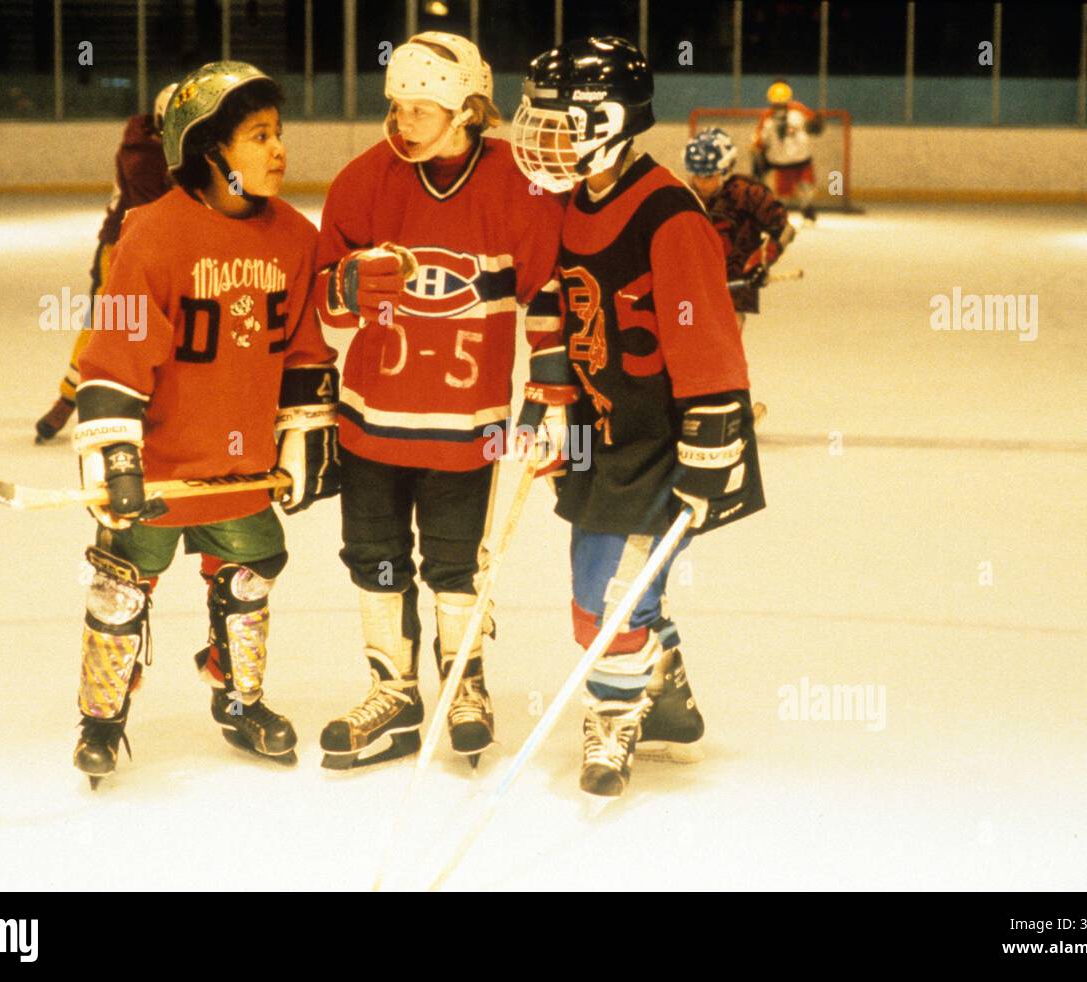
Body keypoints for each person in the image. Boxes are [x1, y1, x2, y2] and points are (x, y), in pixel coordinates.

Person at [70, 61, 340, 785]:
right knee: (120, 589)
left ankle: (239, 698)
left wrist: (307, 438)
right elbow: (114, 360)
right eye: (258, 136)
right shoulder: (152, 236)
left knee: (249, 581)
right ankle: (101, 719)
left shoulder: (295, 236)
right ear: (210, 151)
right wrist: (115, 460)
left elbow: (305, 353)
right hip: (159, 469)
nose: (279, 149)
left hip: (242, 467)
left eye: (278, 133)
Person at [511, 36, 765, 797]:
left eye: (560, 124)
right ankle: (670, 705)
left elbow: (710, 345)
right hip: (597, 432)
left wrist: (708, 453)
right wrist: (547, 400)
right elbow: (556, 303)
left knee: (604, 596)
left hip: (654, 442)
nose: (544, 141)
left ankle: (616, 715)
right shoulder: (570, 202)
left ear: (610, 123)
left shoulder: (667, 216)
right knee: (611, 578)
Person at [314, 32, 563, 771]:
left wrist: (549, 393)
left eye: (422, 108)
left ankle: (464, 681)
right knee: (375, 557)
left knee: (454, 565)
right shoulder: (363, 180)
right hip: (370, 422)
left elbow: (546, 294)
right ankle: (393, 691)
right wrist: (347, 285)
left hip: (466, 429)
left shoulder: (518, 184)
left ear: (469, 110)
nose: (403, 122)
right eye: (397, 105)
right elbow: (324, 303)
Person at [34, 82, 178, 443]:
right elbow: (156, 215)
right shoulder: (144, 155)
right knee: (105, 326)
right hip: (122, 249)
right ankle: (69, 398)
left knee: (151, 327)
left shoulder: (161, 146)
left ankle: (146, 402)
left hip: (150, 249)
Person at [683, 126, 795, 316]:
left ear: (725, 170)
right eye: (696, 175)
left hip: (735, 289)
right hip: (692, 287)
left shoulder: (748, 194)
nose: (700, 183)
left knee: (726, 342)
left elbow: (785, 229)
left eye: (708, 176)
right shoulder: (683, 196)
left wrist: (761, 262)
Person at [752, 80, 822, 223]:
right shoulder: (766, 117)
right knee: (781, 194)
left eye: (781, 103)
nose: (779, 106)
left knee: (806, 187)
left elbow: (813, 125)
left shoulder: (799, 110)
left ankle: (807, 209)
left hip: (801, 158)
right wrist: (758, 152)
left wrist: (815, 123)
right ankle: (778, 215)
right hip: (780, 161)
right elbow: (760, 140)